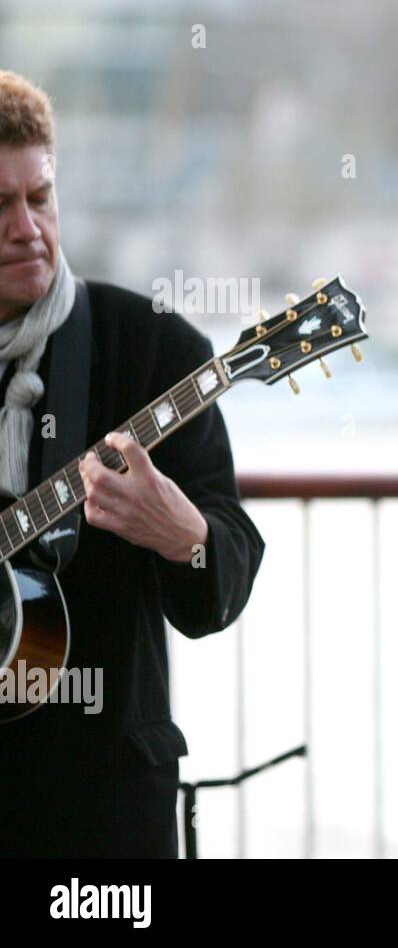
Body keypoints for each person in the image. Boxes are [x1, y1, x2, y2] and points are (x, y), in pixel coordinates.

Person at [0, 70, 265, 857]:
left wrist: (185, 535)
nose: (26, 227)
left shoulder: (154, 351)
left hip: (101, 798)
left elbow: (226, 572)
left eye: (38, 197)